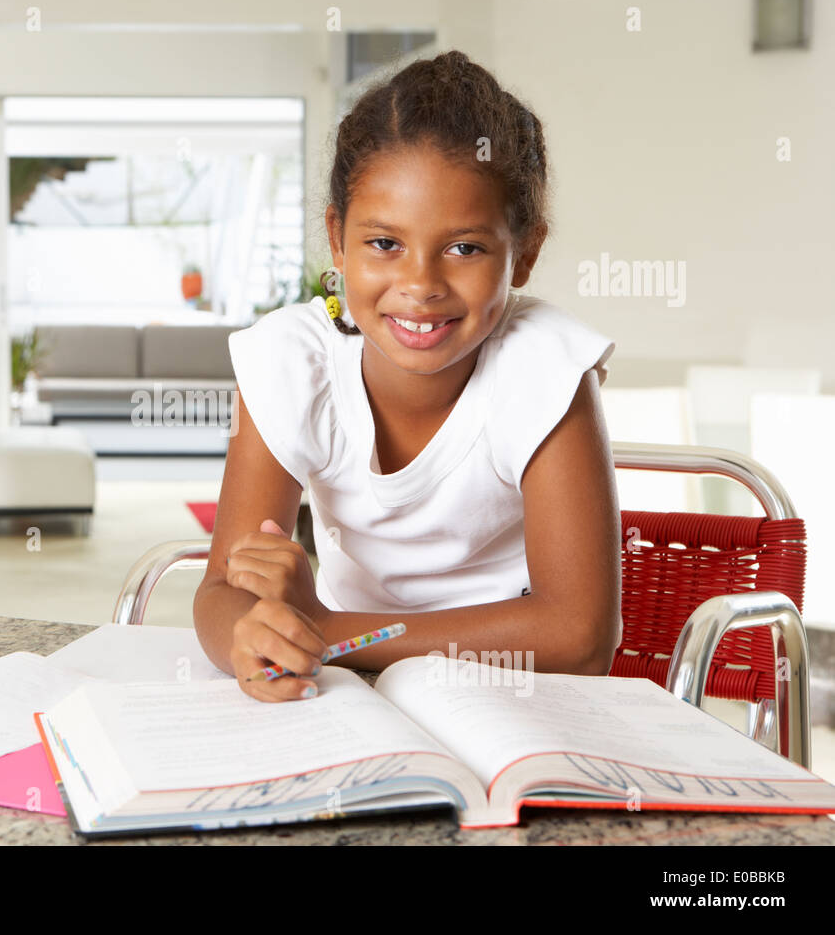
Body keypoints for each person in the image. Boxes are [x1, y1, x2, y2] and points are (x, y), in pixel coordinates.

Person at [193, 50, 621, 702]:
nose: (420, 286)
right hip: (344, 694)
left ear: (525, 252)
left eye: (465, 248)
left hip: (518, 696)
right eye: (384, 244)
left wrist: (334, 631)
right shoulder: (293, 361)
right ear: (337, 239)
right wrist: (251, 639)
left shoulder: (544, 368)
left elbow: (579, 636)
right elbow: (221, 591)